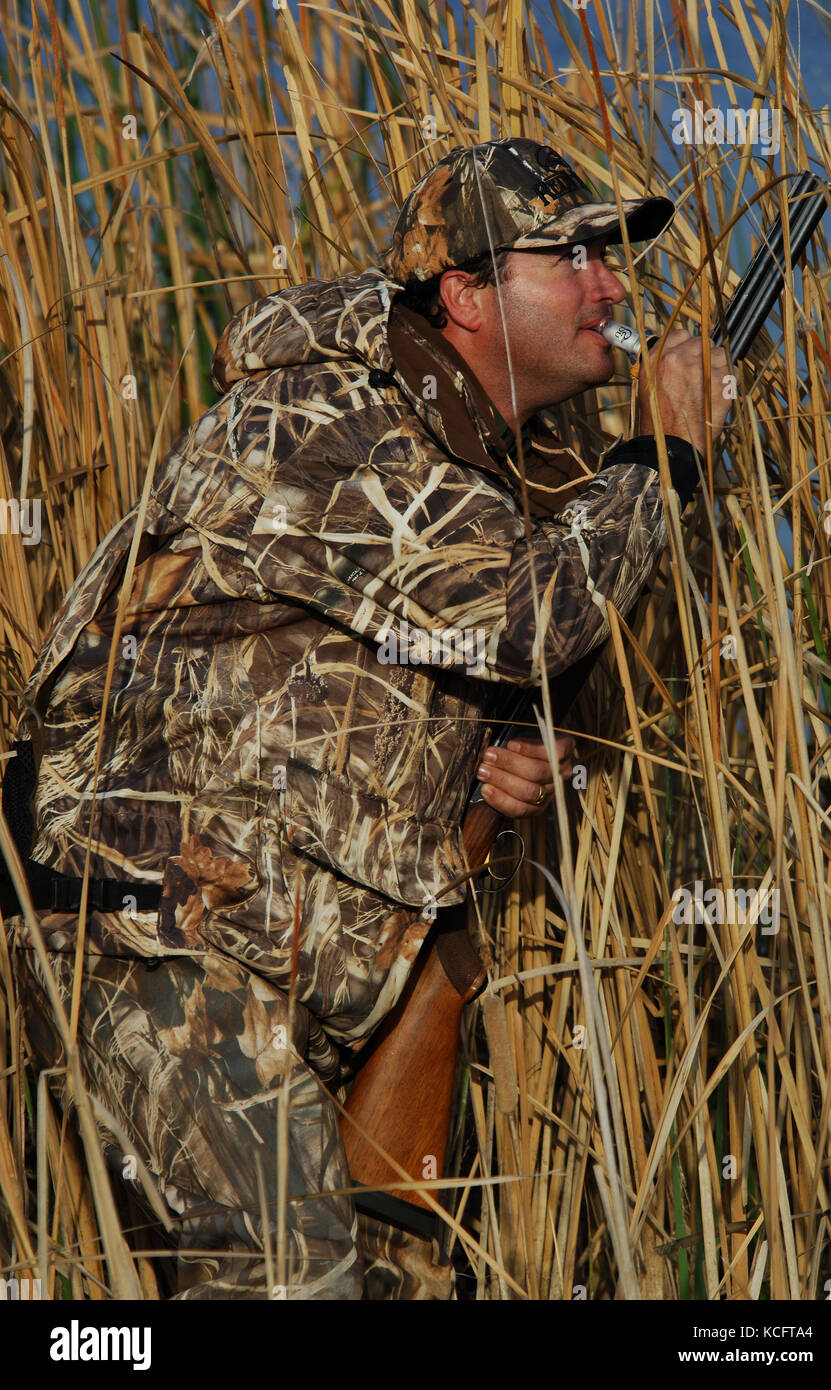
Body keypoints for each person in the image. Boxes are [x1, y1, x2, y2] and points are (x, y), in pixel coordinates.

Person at [2, 138, 731, 1299]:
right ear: (466, 294)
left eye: (612, 256)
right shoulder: (331, 417)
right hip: (159, 932)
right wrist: (663, 453)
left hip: (286, 969)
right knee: (287, 1282)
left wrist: (494, 769)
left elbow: (380, 673)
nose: (611, 285)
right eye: (571, 256)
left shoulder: (482, 466)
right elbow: (526, 615)